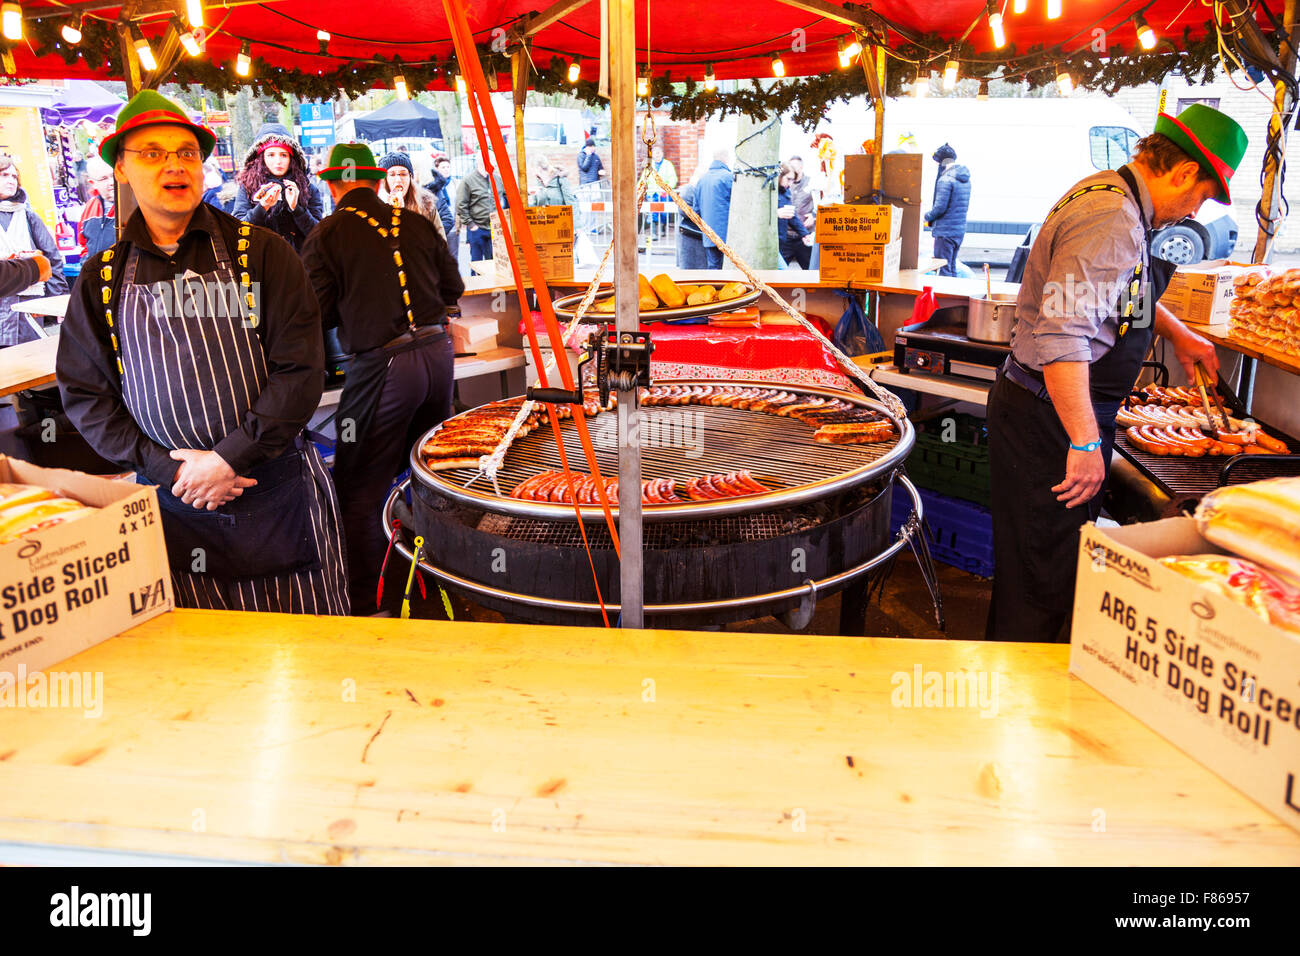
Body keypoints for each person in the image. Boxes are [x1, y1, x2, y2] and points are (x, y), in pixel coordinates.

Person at [56, 90, 349, 614]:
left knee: (313, 664)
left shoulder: (261, 253)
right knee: (210, 668)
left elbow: (300, 371)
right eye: (152, 153)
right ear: (119, 168)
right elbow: (86, 394)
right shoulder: (102, 278)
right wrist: (170, 469)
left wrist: (226, 458)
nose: (174, 165)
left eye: (187, 152)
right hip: (175, 503)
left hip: (274, 490)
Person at [986, 104, 1246, 643]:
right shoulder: (1112, 219)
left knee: (1045, 562)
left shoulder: (1111, 192)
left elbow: (1115, 294)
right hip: (1050, 419)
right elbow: (1062, 335)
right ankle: (1012, 702)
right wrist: (1083, 442)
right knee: (1040, 577)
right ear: (1181, 173)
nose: (1193, 211)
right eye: (1201, 196)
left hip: (1052, 411)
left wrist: (1177, 334)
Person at [302, 142, 463, 614]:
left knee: (358, 487)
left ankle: (375, 605)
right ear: (374, 180)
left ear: (332, 185)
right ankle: (443, 590)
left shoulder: (327, 232)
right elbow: (453, 289)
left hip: (386, 364)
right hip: (438, 355)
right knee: (432, 476)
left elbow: (316, 311)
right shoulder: (414, 221)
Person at [0, 155, 69, 347]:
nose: (11, 180)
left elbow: (53, 259)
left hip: (27, 309)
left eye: (14, 176)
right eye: (4, 175)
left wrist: (57, 301)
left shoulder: (29, 216)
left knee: (31, 360)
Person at [232, 122, 324, 252]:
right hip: (261, 264)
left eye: (283, 155)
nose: (278, 161)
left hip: (299, 264)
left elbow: (318, 235)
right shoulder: (247, 187)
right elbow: (238, 232)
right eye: (271, 155)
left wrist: (297, 209)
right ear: (261, 158)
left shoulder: (308, 188)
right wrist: (262, 207)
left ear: (292, 158)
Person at [924, 144, 971, 276]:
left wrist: (926, 217)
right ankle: (952, 294)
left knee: (943, 268)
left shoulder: (945, 180)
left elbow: (939, 208)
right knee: (951, 266)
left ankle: (944, 295)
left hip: (945, 232)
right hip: (958, 231)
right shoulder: (965, 180)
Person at [379, 151, 446, 240]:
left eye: (403, 174)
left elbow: (440, 243)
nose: (398, 179)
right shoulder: (376, 207)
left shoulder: (426, 204)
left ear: (410, 177)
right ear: (385, 179)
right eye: (392, 174)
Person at [695, 148, 734, 270]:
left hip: (708, 233)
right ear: (725, 158)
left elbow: (696, 209)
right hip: (727, 233)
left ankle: (713, 289)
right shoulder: (729, 177)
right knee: (729, 269)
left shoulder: (702, 180)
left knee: (713, 267)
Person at [457, 151, 497, 270]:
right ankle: (478, 286)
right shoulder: (468, 180)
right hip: (477, 228)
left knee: (494, 262)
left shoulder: (496, 179)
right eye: (492, 160)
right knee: (477, 263)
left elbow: (505, 197)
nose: (494, 163)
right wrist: (471, 225)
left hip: (494, 229)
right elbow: (461, 204)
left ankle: (493, 288)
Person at [78, 157, 117, 259]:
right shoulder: (90, 207)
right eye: (104, 178)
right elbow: (83, 244)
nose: (112, 182)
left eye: (113, 175)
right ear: (93, 183)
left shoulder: (132, 205)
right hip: (95, 273)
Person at [776, 163, 812, 269]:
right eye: (788, 179)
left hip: (781, 240)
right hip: (771, 242)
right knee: (782, 272)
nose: (790, 184)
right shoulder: (769, 190)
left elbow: (792, 215)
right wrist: (776, 213)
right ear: (779, 176)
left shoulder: (785, 191)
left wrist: (804, 234)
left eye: (792, 180)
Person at [425, 153, 458, 262]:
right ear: (437, 169)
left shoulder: (454, 183)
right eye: (443, 167)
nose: (446, 169)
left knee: (453, 258)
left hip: (452, 227)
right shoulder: (432, 185)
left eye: (448, 167)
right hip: (439, 224)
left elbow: (459, 203)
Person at [647, 144, 677, 238]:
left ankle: (663, 228)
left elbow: (673, 179)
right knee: (653, 212)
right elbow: (644, 178)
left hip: (663, 193)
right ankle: (654, 233)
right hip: (652, 193)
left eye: (659, 153)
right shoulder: (649, 165)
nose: (657, 155)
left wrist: (667, 189)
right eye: (655, 154)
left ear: (662, 154)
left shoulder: (668, 164)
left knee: (664, 213)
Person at [576, 137, 604, 233]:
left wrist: (601, 171)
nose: (593, 148)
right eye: (591, 146)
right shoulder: (581, 156)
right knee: (586, 207)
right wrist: (588, 156)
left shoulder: (596, 157)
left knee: (594, 207)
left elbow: (600, 166)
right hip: (586, 185)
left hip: (595, 183)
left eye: (593, 146)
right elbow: (584, 168)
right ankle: (585, 227)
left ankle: (592, 227)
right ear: (587, 147)